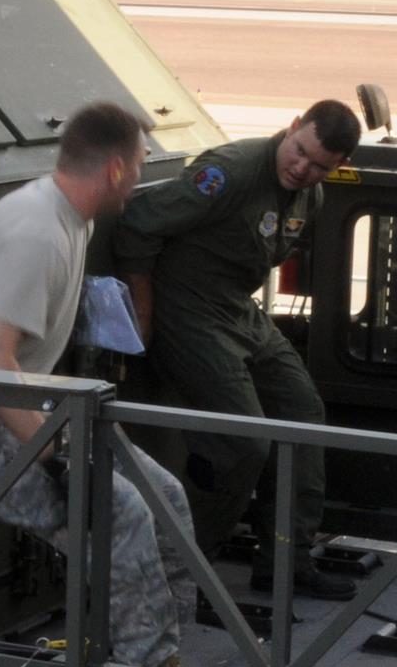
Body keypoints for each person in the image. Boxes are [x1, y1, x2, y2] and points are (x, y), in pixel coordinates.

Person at [0, 102, 242, 667]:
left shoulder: (66, 218)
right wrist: (60, 451)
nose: (142, 177)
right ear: (116, 168)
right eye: (141, 165)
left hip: (21, 407)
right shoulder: (36, 230)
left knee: (165, 497)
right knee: (116, 510)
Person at [111, 99, 358, 588]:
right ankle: (180, 569)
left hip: (237, 312)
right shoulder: (232, 173)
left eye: (319, 166)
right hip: (188, 312)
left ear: (338, 167)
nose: (302, 168)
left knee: (303, 414)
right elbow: (138, 222)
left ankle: (286, 562)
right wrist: (142, 310)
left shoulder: (310, 197)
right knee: (244, 443)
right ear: (291, 128)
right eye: (300, 151)